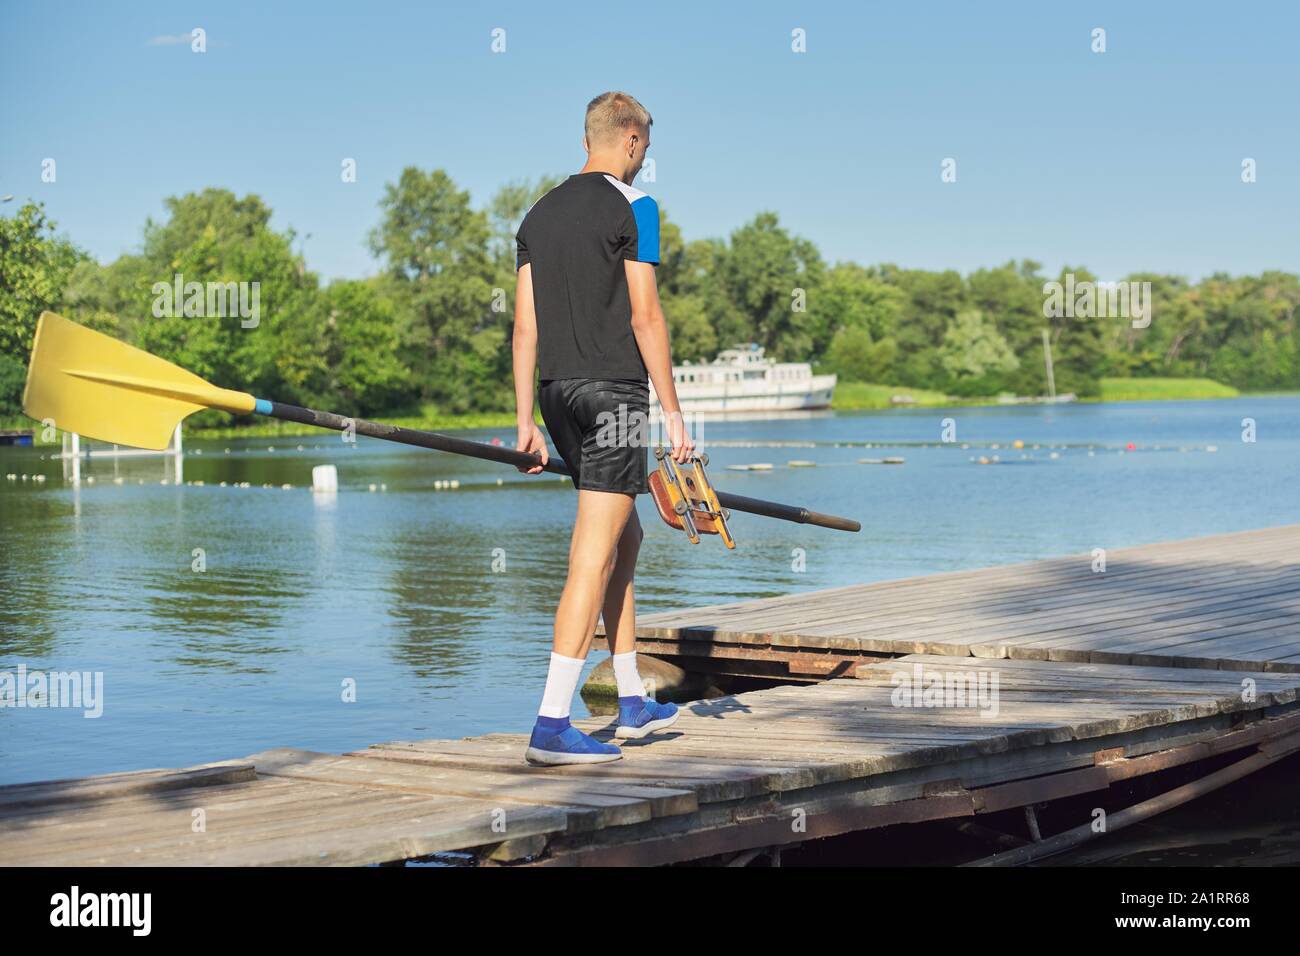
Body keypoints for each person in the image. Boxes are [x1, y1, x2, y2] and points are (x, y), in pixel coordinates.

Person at [512, 91, 694, 765]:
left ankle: (631, 699)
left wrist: (526, 419)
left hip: (558, 394)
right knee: (592, 554)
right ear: (631, 141)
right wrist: (673, 414)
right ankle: (551, 723)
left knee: (626, 533)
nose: (645, 158)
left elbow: (525, 325)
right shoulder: (635, 206)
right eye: (645, 146)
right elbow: (646, 317)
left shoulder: (538, 213)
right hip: (616, 398)